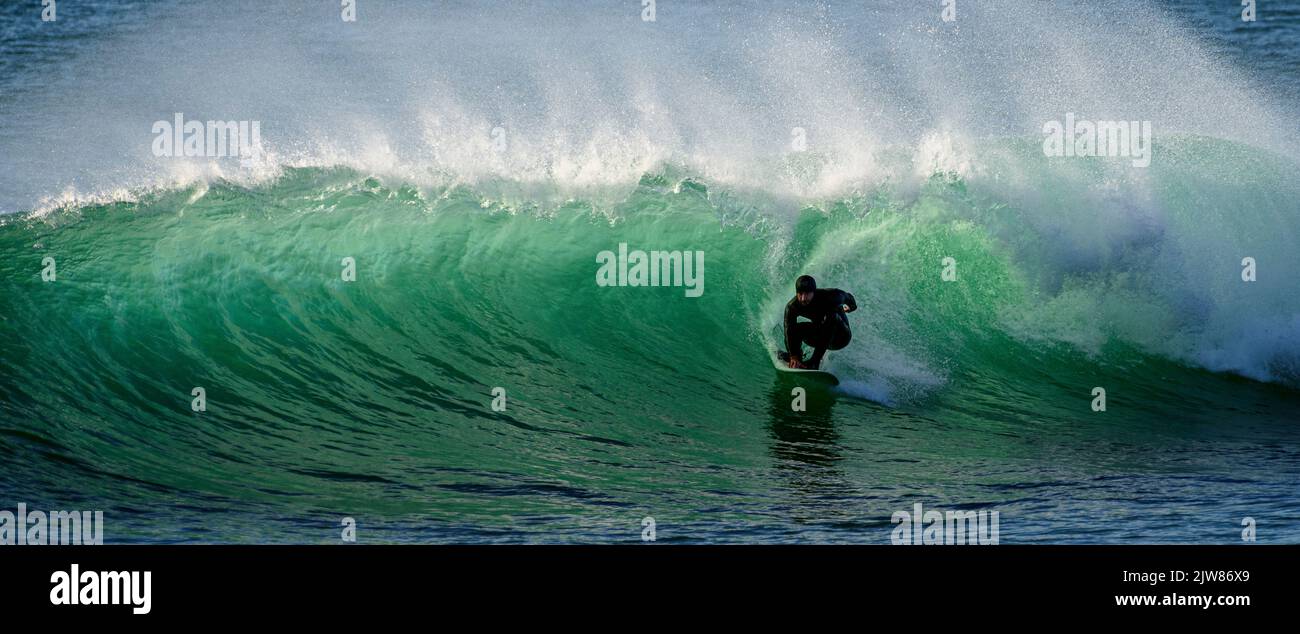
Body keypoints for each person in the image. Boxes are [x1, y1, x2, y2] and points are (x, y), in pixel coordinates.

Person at [781, 275, 856, 370]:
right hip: (820, 337)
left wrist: (851, 307)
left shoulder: (831, 296)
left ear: (814, 292)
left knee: (831, 315)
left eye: (807, 293)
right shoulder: (792, 306)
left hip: (840, 337)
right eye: (800, 293)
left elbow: (848, 297)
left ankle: (814, 362)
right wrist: (793, 355)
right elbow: (788, 330)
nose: (803, 298)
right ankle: (798, 359)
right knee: (795, 329)